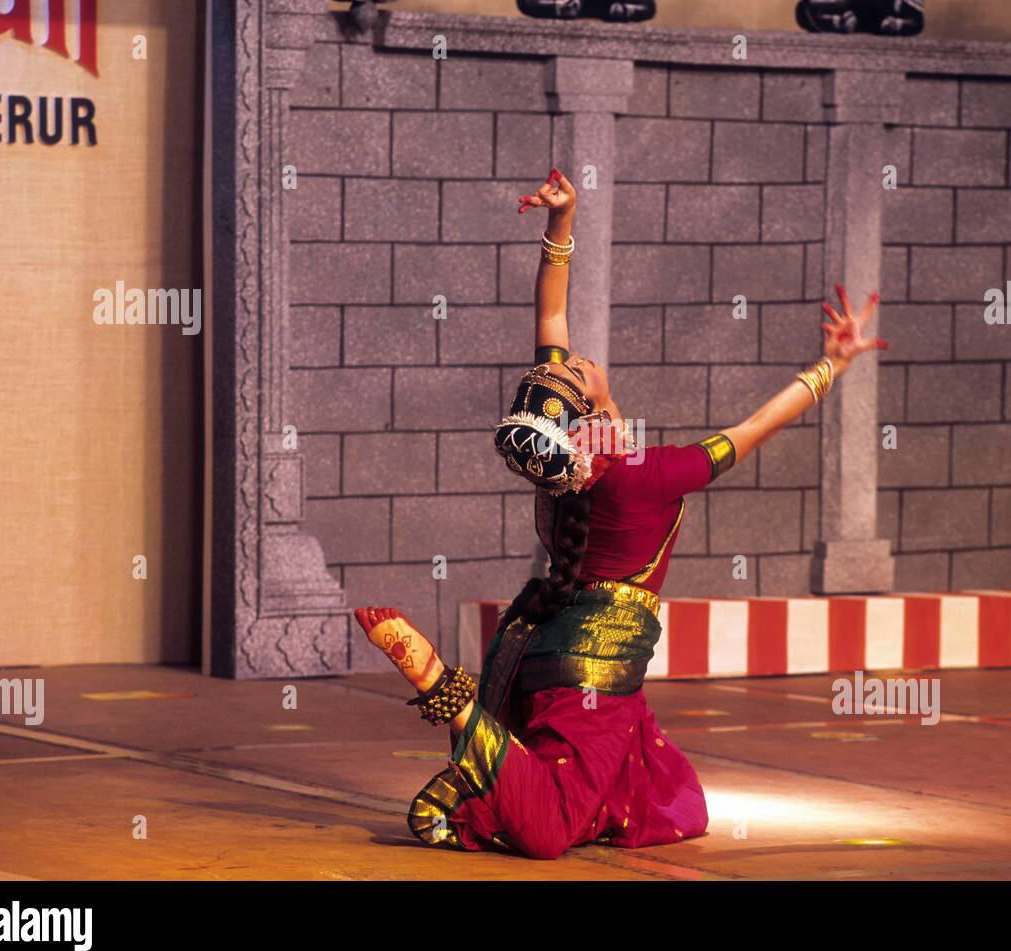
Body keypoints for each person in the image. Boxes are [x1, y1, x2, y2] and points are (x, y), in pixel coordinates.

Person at [355, 168, 887, 859]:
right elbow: (757, 426)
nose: (578, 357)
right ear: (583, 410)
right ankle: (441, 686)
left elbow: (550, 315)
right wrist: (831, 366)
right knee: (549, 830)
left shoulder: (561, 474)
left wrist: (562, 222)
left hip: (545, 648)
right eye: (575, 371)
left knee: (671, 799)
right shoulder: (650, 475)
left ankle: (481, 785)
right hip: (588, 672)